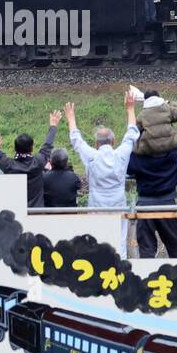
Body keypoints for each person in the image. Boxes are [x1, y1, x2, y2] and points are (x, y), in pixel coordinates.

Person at [66, 94, 139, 251]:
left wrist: (71, 118)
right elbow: (131, 135)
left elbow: (77, 141)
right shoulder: (120, 155)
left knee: (96, 242)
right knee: (119, 242)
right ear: (113, 141)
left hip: (96, 204)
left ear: (96, 143)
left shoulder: (91, 156)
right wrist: (130, 109)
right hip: (118, 203)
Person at [126, 115, 177, 258]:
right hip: (167, 203)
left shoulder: (137, 155)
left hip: (144, 205)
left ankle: (147, 279)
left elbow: (127, 166)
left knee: (146, 250)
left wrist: (136, 127)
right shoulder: (173, 150)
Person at [0, 111, 58, 207]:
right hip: (37, 214)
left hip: (16, 215)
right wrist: (53, 126)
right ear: (32, 148)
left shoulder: (8, 165)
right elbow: (48, 145)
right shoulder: (38, 162)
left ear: (14, 148)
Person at [136, 90, 177, 156]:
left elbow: (136, 129)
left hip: (150, 148)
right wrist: (169, 102)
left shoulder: (142, 114)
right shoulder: (167, 108)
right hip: (171, 144)